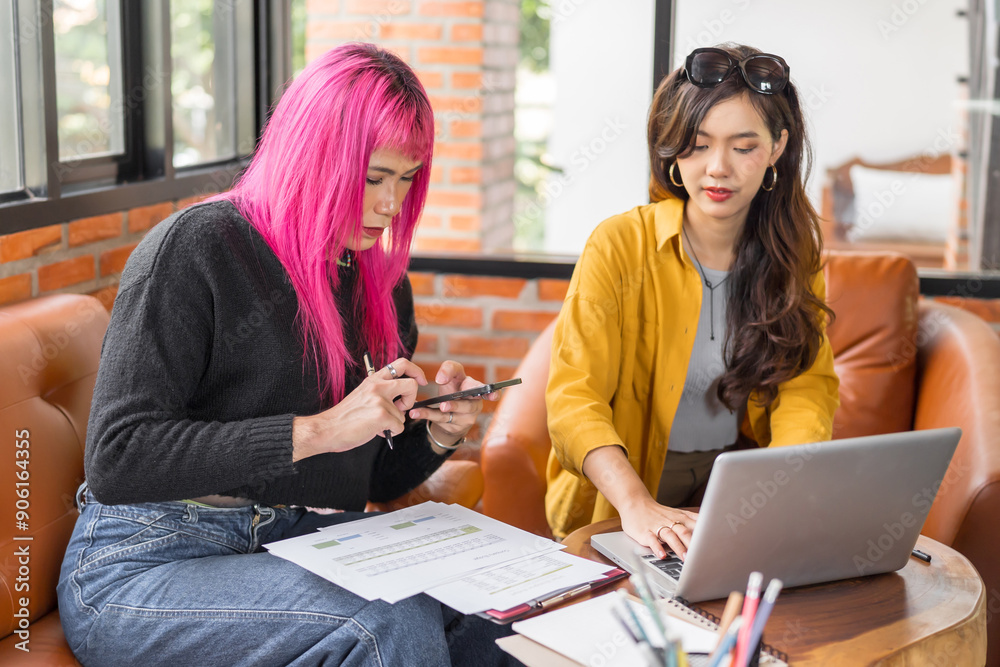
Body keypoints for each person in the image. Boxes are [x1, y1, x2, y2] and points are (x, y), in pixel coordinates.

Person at [57, 43, 518, 667]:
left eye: (407, 180)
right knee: (385, 620)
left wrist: (433, 435)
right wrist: (322, 428)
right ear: (315, 157)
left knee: (492, 612)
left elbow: (370, 478)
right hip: (147, 558)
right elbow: (119, 458)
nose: (392, 205)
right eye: (375, 177)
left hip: (293, 541)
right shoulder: (198, 247)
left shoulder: (378, 284)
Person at [544, 44, 840, 557]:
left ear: (777, 148)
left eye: (743, 147)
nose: (717, 169)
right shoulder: (619, 244)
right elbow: (574, 397)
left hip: (731, 486)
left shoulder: (795, 255)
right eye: (698, 146)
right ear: (672, 150)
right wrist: (637, 504)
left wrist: (773, 494)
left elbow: (806, 390)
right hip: (621, 492)